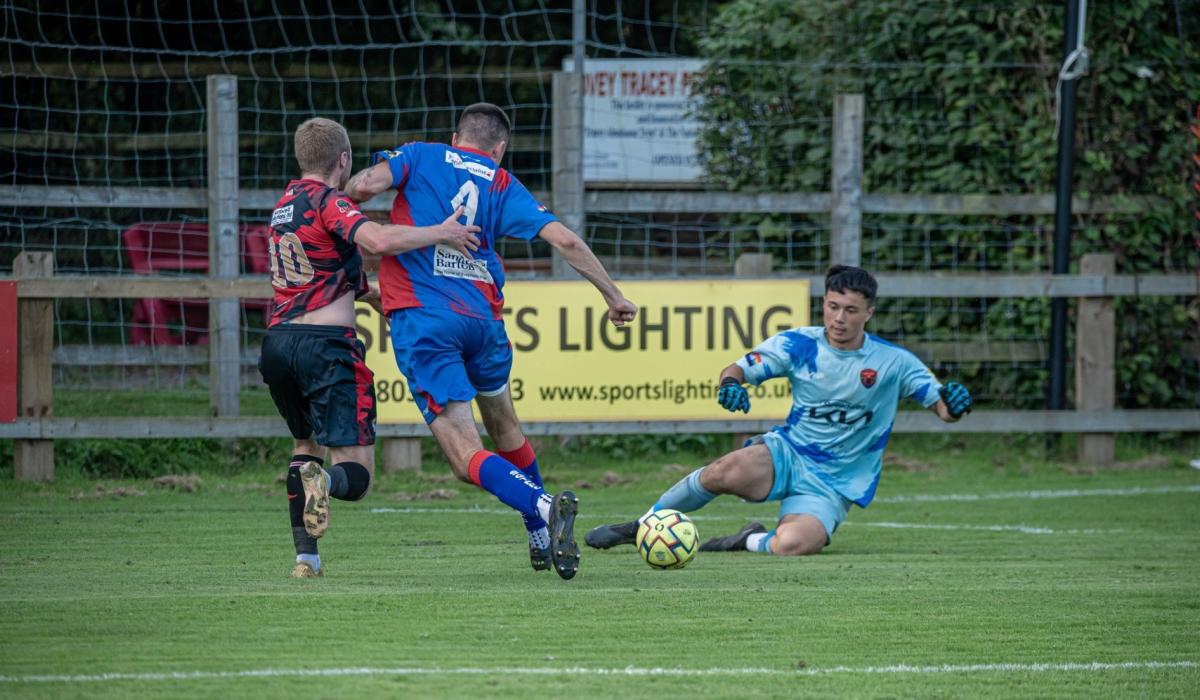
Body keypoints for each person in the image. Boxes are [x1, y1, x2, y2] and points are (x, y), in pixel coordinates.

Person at [344, 102, 638, 580]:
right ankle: (540, 533)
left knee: (464, 457)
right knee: (505, 428)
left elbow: (360, 187)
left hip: (426, 322)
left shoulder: (420, 155)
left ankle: (543, 506)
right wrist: (613, 295)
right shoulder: (503, 183)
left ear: (456, 134)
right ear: (499, 148)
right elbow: (564, 240)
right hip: (483, 321)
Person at [586, 265, 974, 556]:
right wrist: (730, 385)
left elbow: (941, 406)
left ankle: (742, 541)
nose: (839, 319)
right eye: (833, 307)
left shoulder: (894, 362)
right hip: (787, 454)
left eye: (851, 311)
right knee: (723, 470)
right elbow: (737, 368)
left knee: (792, 546)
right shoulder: (799, 345)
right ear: (823, 303)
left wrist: (952, 404)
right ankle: (642, 525)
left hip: (835, 483)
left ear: (869, 313)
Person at [260, 117, 481, 579]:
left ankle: (307, 560)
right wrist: (442, 232)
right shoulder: (328, 200)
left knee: (306, 446)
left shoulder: (284, 205)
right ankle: (324, 485)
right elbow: (377, 240)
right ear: (343, 160)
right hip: (326, 346)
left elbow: (334, 279)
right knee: (355, 477)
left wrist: (398, 300)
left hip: (279, 345)